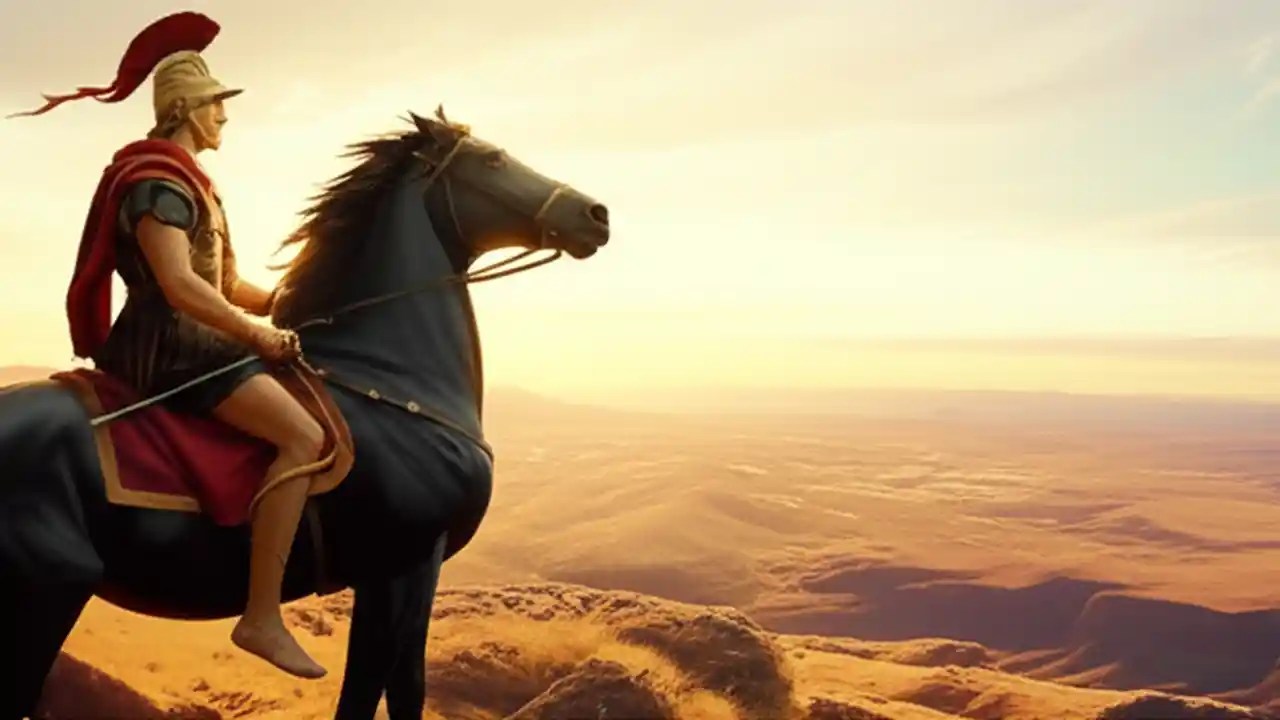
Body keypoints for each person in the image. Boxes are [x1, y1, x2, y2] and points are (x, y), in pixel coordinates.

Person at [9, 12, 327, 679]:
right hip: (172, 344)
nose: (225, 118)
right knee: (302, 437)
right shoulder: (158, 182)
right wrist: (258, 336)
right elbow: (181, 286)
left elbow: (225, 282)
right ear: (185, 108)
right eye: (217, 105)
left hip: (195, 331)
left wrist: (288, 301)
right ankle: (262, 616)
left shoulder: (193, 183)